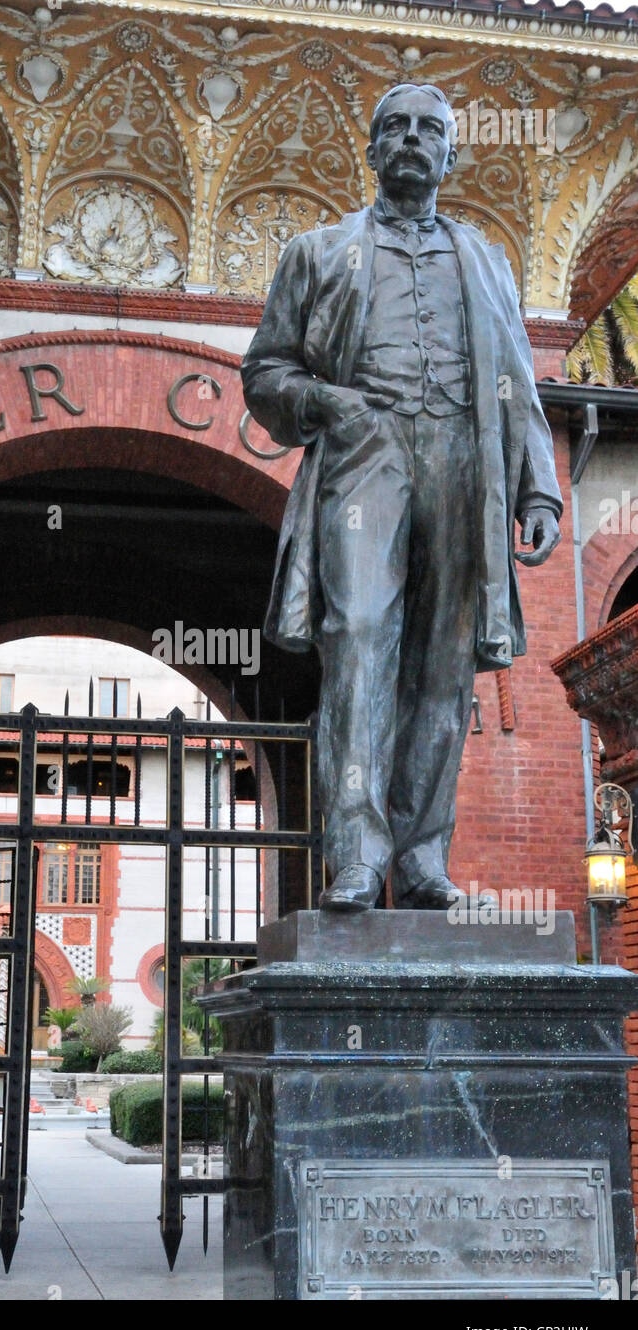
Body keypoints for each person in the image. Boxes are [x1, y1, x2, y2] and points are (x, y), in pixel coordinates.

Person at [241, 83, 562, 911]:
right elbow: (266, 373)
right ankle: (355, 854)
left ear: (449, 155)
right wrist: (329, 404)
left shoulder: (486, 259)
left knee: (443, 663)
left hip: (464, 460)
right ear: (372, 150)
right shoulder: (317, 252)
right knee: (357, 644)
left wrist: (539, 491)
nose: (412, 140)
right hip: (364, 455)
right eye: (395, 129)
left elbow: (516, 383)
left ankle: (421, 860)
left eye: (429, 130)